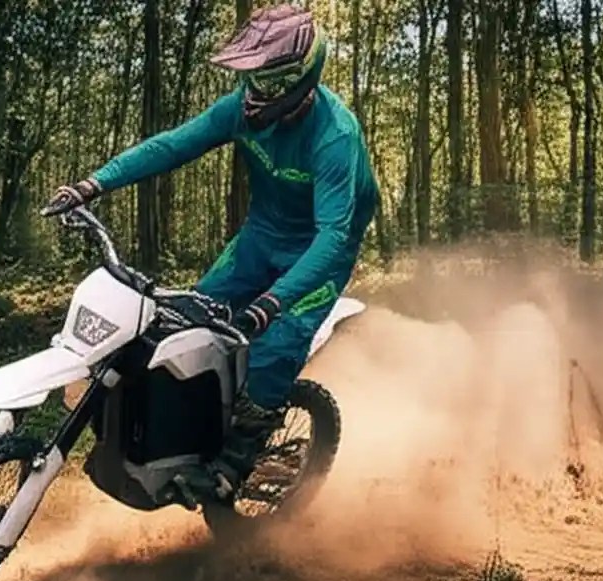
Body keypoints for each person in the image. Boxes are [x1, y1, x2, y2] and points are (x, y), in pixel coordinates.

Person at [46, 4, 378, 502]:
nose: (253, 93)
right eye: (250, 78)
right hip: (260, 236)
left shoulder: (335, 136)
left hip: (319, 251)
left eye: (266, 82)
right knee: (191, 328)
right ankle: (177, 434)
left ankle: (230, 467)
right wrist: (95, 183)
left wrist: (274, 301)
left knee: (273, 348)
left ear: (298, 81)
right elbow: (172, 146)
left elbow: (332, 236)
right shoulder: (239, 110)